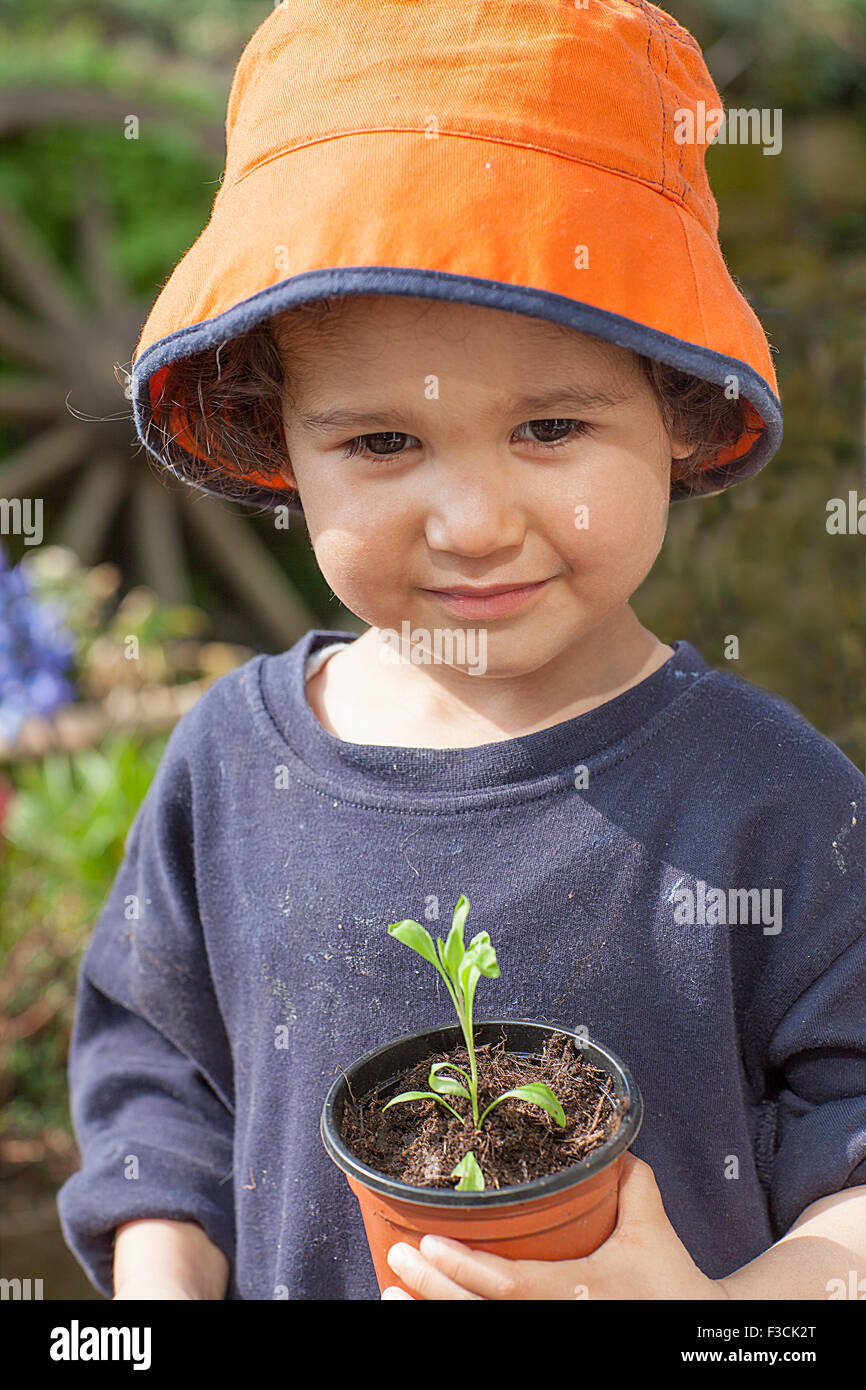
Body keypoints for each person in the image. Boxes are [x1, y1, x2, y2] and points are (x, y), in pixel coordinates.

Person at [57, 0, 866, 1300]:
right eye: (380, 442)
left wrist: (719, 1311)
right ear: (284, 445)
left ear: (671, 416)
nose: (475, 524)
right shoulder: (227, 767)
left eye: (550, 428)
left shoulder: (775, 802)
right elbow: (161, 1076)